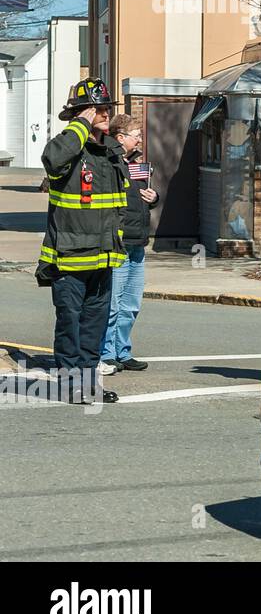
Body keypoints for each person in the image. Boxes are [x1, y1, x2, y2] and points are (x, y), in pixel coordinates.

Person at [37, 78, 128, 404]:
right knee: (70, 326)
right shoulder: (67, 147)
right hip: (70, 257)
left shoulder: (110, 151)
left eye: (105, 108)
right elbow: (53, 160)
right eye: (98, 109)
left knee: (94, 327)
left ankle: (88, 384)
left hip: (104, 256)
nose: (105, 113)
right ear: (82, 113)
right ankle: (68, 386)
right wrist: (80, 123)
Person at [101, 114, 157, 374]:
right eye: (136, 134)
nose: (140, 139)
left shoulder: (137, 165)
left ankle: (123, 351)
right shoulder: (109, 163)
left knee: (131, 304)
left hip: (138, 243)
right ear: (120, 137)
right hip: (120, 243)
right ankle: (107, 353)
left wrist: (153, 197)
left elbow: (141, 199)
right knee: (113, 303)